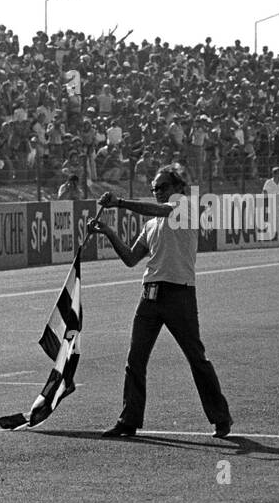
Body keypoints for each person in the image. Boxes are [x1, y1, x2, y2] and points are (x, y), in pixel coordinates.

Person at [90, 165, 233, 440]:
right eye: (154, 189)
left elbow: (160, 210)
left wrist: (120, 203)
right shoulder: (152, 224)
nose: (158, 193)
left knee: (196, 358)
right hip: (150, 294)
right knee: (135, 359)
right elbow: (131, 259)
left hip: (179, 293)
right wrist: (107, 231)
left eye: (163, 187)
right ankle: (128, 420)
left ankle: (221, 417)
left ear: (178, 188)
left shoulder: (185, 208)